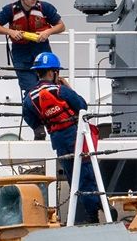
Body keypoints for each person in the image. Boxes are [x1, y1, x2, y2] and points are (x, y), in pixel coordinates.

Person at [24, 53, 102, 225]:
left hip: (57, 140)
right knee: (86, 174)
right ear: (53, 73)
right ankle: (96, 211)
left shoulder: (30, 97)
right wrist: (68, 87)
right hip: (75, 136)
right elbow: (82, 106)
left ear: (38, 73)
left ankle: (95, 209)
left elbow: (31, 118)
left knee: (73, 176)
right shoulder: (60, 90)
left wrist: (39, 129)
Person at [0, 0, 66, 103]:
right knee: (30, 89)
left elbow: (61, 26)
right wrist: (11, 32)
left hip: (43, 53)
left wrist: (47, 32)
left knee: (49, 87)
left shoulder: (45, 8)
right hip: (21, 55)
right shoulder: (10, 10)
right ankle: (35, 118)